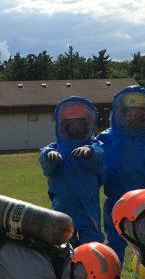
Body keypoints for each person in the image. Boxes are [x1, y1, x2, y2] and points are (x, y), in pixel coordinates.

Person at [97, 85, 145, 263]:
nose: (134, 115)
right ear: (121, 111)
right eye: (130, 110)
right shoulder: (106, 138)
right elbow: (94, 166)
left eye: (140, 111)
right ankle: (114, 278)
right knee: (115, 240)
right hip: (116, 198)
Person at [39, 97, 105, 245]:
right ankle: (67, 268)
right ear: (63, 124)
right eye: (71, 122)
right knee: (64, 244)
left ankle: (90, 268)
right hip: (62, 204)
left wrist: (89, 151)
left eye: (80, 122)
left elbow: (100, 160)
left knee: (92, 242)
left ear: (87, 123)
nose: (75, 125)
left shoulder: (95, 145)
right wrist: (49, 156)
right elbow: (46, 165)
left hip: (87, 205)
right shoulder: (54, 147)